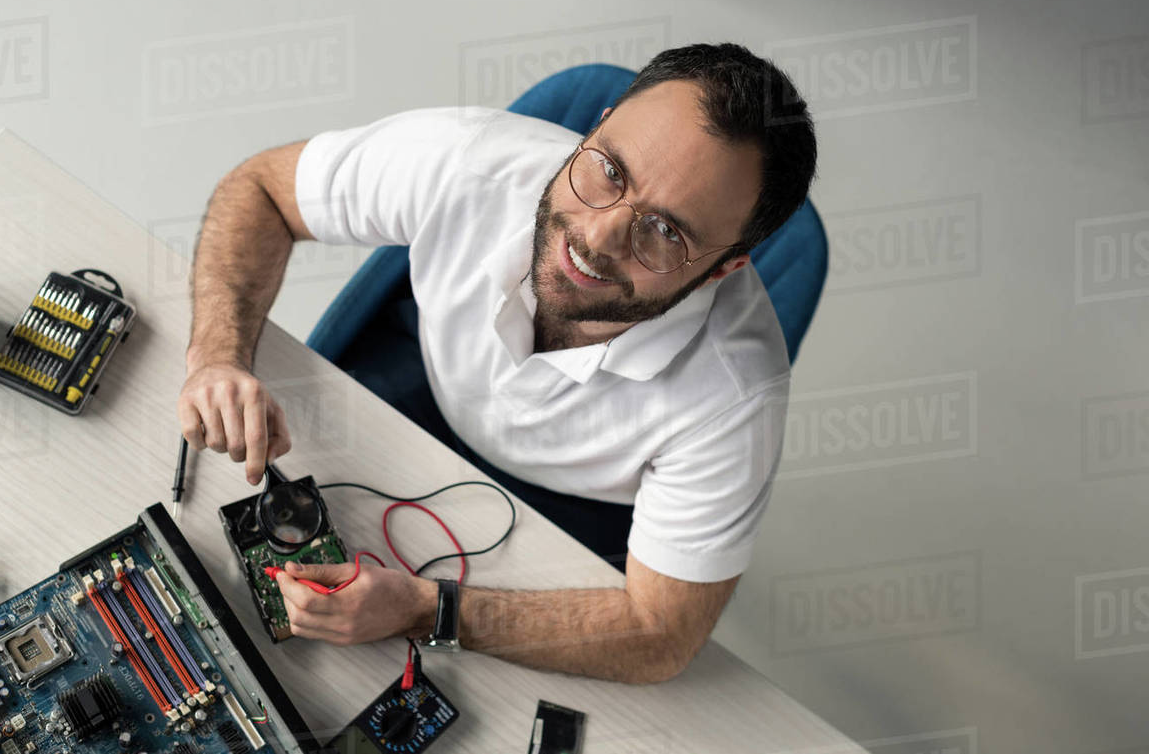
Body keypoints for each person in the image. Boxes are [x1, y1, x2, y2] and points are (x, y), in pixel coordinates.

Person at [177, 43, 817, 684]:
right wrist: (217, 357)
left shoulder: (738, 400)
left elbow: (659, 635)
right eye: (609, 171)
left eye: (667, 232)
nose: (596, 238)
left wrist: (428, 612)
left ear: (726, 267)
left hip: (567, 503)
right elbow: (262, 188)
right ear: (595, 125)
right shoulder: (467, 159)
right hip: (422, 383)